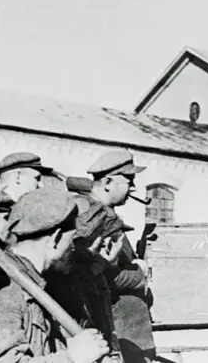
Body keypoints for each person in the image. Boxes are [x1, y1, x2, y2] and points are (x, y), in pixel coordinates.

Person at [0, 189, 110, 363]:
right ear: (56, 238)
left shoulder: (45, 283)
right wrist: (73, 357)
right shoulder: (2, 291)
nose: (73, 248)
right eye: (72, 239)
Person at [85, 151, 156, 363]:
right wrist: (140, 274)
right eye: (129, 180)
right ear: (108, 182)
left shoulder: (105, 214)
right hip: (119, 328)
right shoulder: (96, 219)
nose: (133, 188)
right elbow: (104, 276)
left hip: (127, 328)